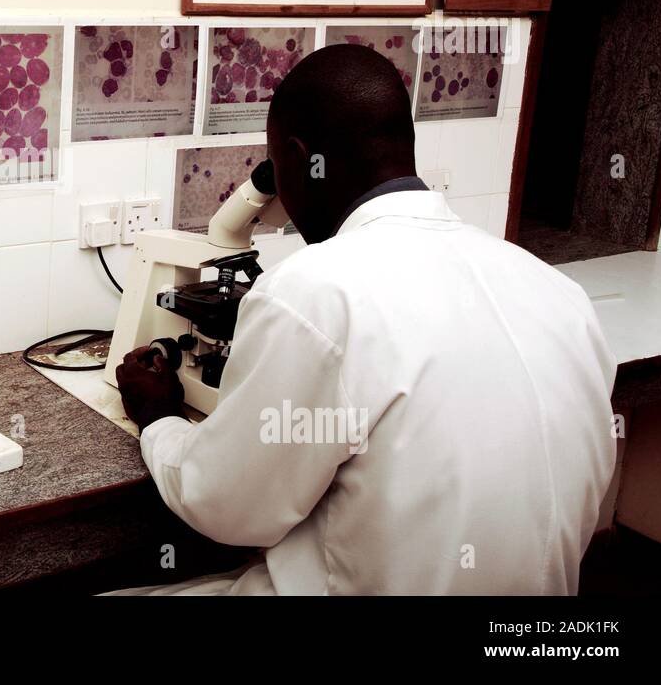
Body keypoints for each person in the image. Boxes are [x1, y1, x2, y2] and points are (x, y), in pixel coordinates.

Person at [113, 44, 617, 595]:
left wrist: (159, 417)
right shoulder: (560, 294)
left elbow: (226, 507)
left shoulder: (315, 294)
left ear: (301, 157)